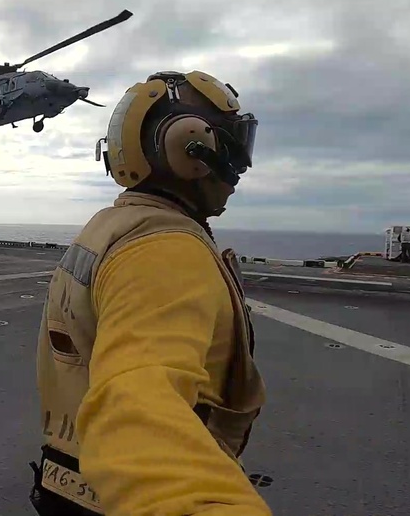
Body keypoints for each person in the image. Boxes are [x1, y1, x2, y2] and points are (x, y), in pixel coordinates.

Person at [30, 70, 270, 516]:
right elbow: (138, 406)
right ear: (190, 147)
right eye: (234, 144)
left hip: (71, 480)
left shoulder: (110, 226)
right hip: (118, 499)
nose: (241, 165)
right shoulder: (166, 249)